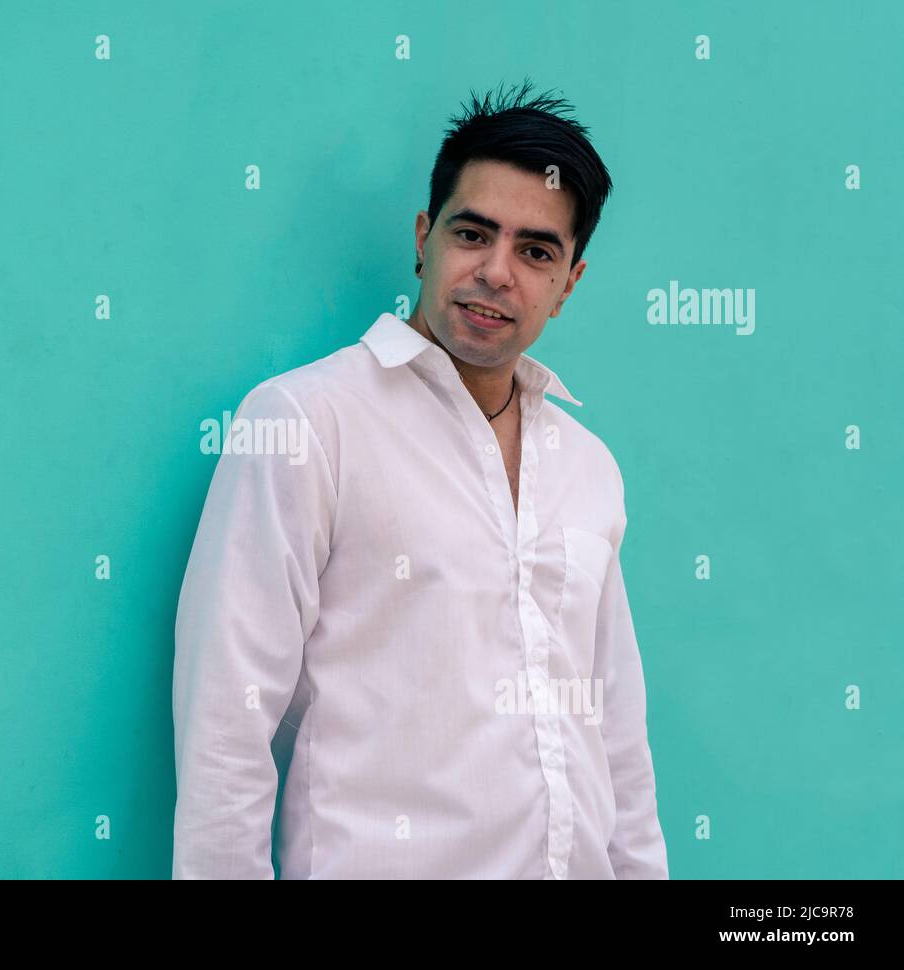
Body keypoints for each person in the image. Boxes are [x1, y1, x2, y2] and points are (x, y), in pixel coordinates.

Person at [171, 79, 669, 880]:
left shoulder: (588, 468)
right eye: (474, 233)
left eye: (536, 251)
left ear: (569, 282)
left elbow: (614, 730)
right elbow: (224, 724)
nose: (497, 272)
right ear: (422, 238)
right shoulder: (307, 422)